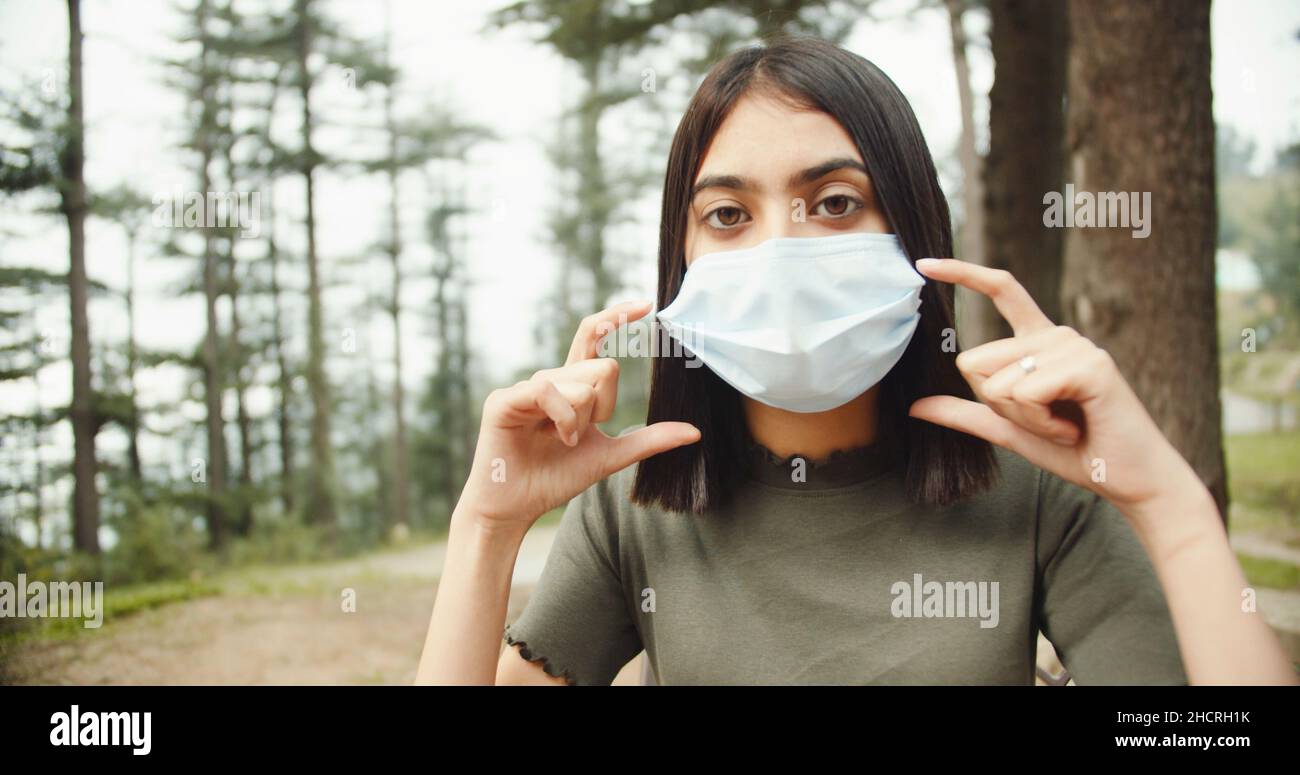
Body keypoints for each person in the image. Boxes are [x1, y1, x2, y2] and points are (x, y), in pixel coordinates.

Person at [415, 37, 1295, 685]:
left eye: (835, 203)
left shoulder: (1035, 485)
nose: (783, 250)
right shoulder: (635, 506)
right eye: (728, 215)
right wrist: (485, 529)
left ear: (914, 232)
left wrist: (1169, 506)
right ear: (678, 264)